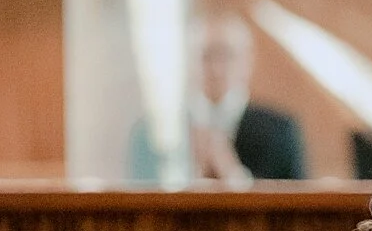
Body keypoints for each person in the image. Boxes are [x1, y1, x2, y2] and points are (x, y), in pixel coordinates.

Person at [130, 14, 307, 182]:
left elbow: (300, 205)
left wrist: (235, 177)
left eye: (226, 55)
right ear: (188, 60)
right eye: (206, 55)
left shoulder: (280, 131)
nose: (216, 68)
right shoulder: (152, 133)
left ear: (247, 60)